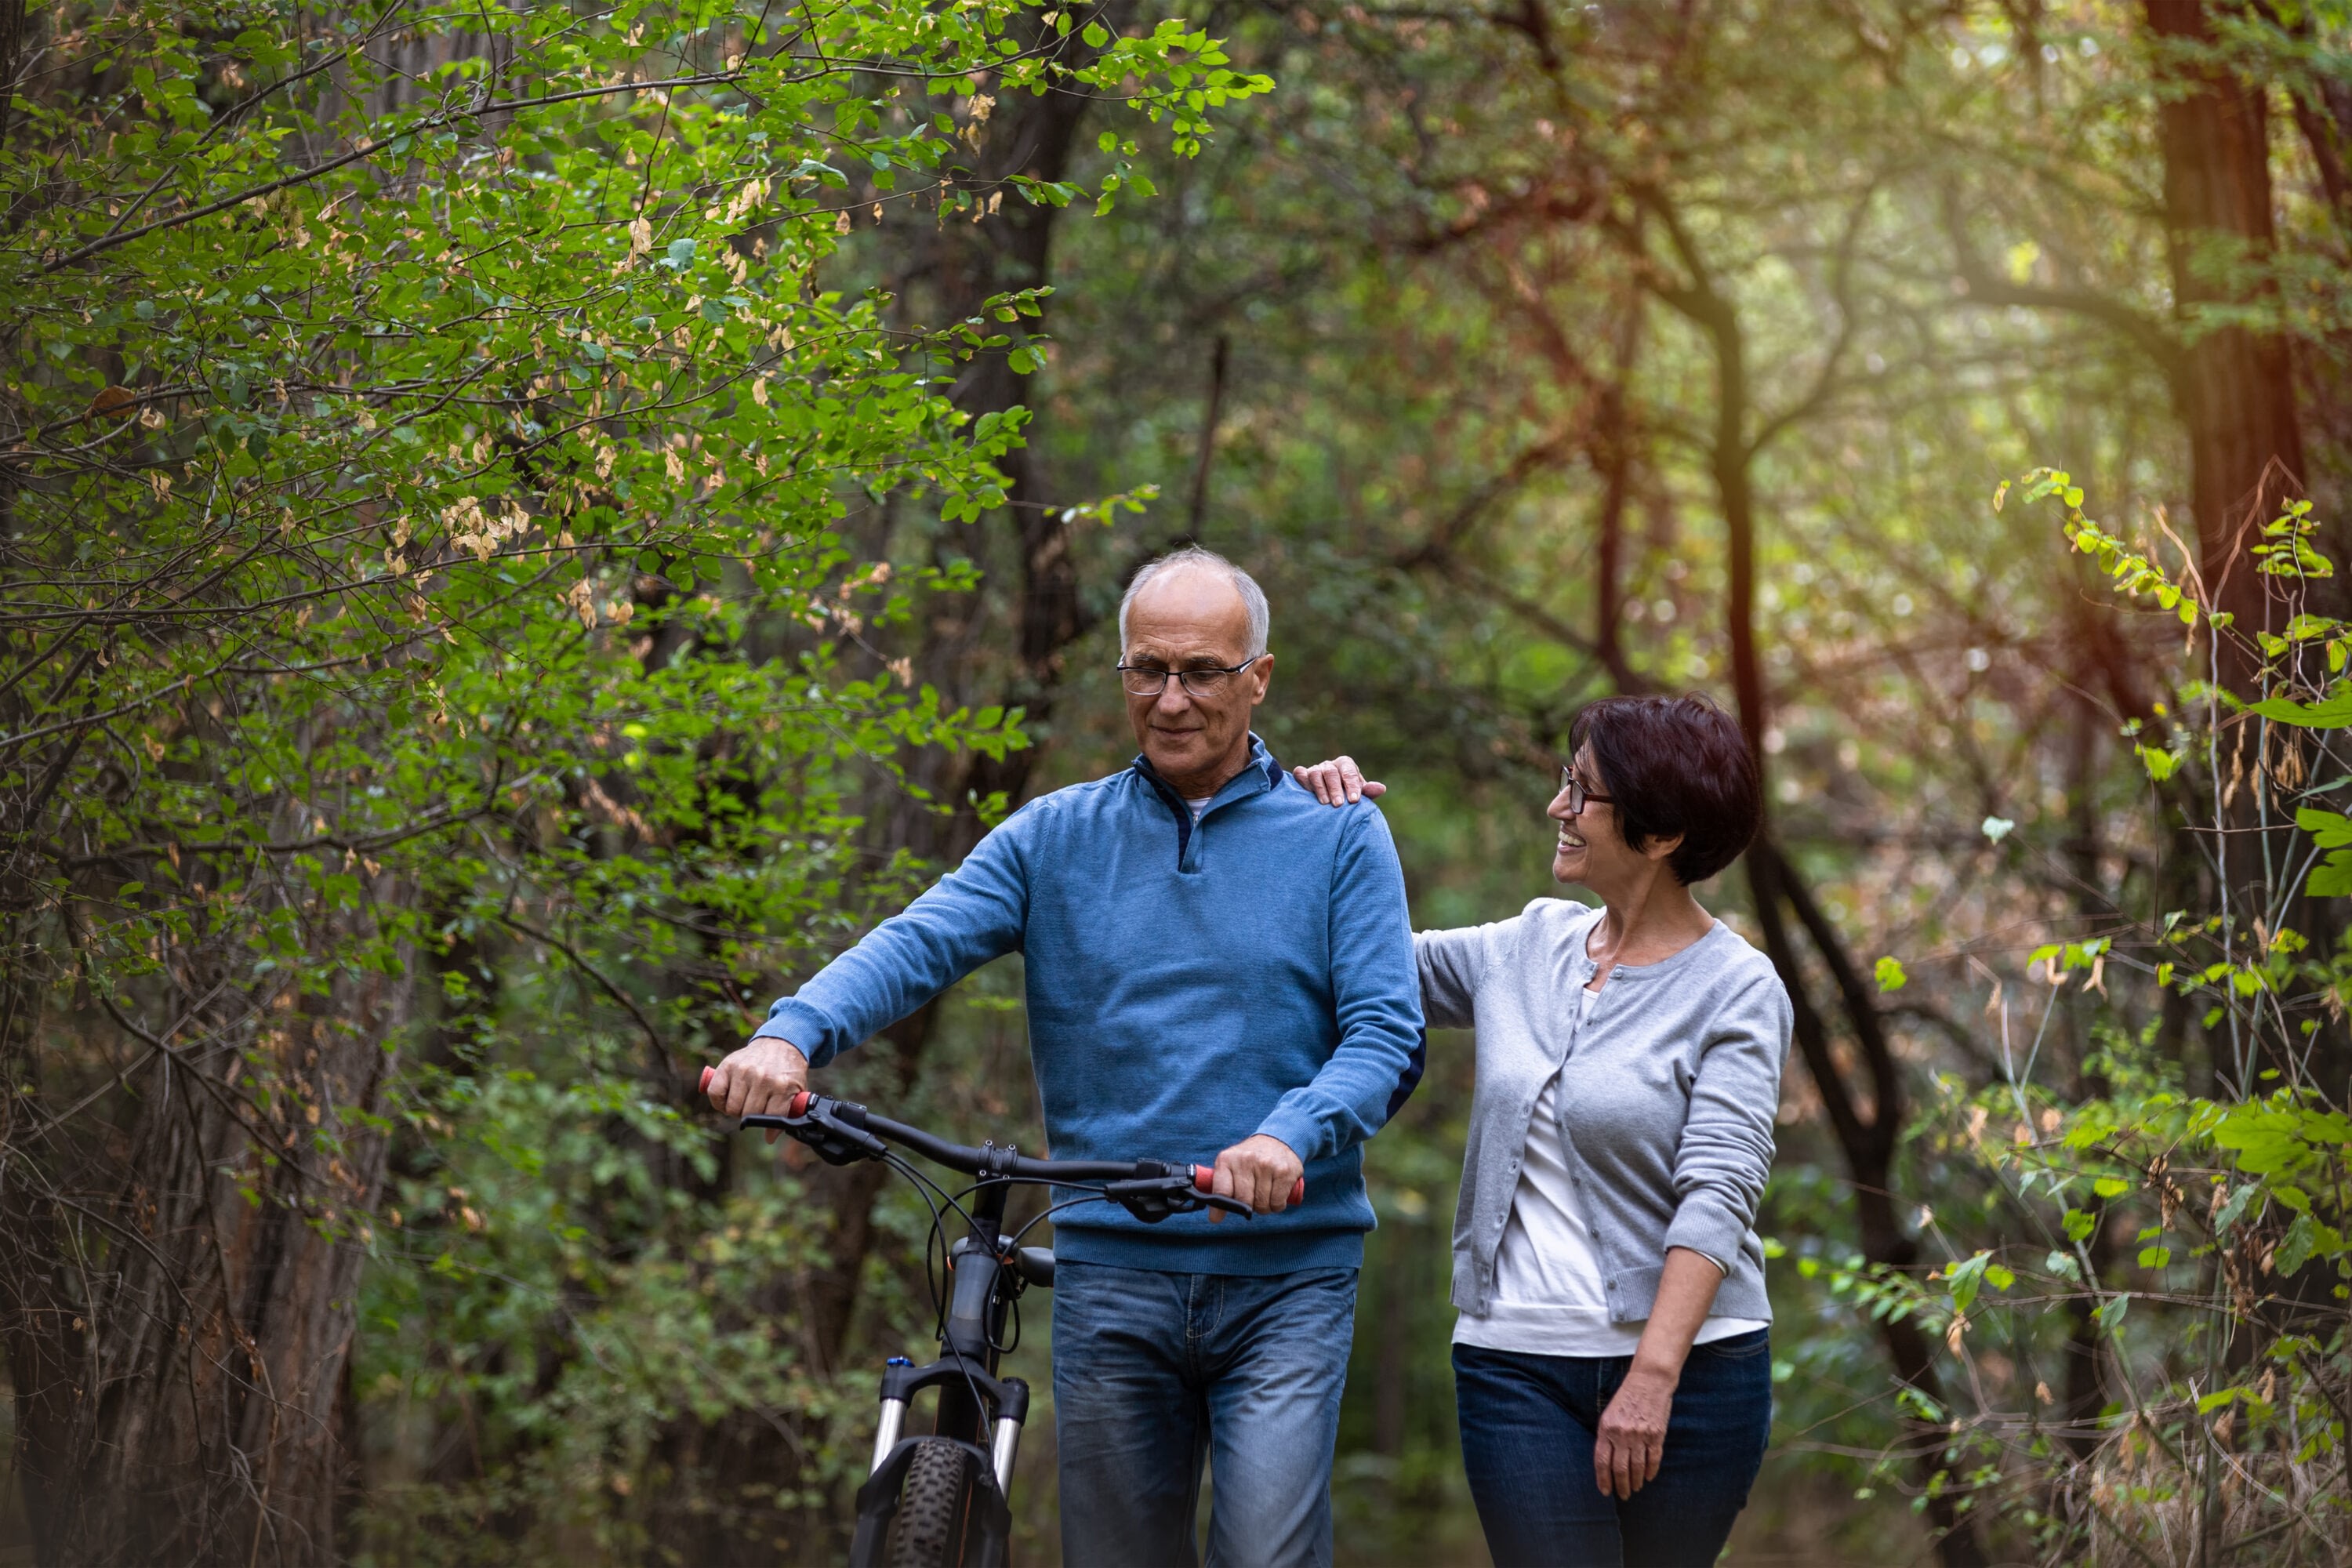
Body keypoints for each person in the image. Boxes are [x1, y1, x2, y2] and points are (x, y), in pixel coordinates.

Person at [706, 545, 1425, 1568]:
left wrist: (1287, 1135)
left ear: (1257, 678)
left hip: (1286, 1279)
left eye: (1202, 672)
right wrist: (789, 1035)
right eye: (1148, 669)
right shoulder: (1055, 836)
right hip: (1111, 1273)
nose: (1171, 700)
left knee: (1266, 1555)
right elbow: (918, 942)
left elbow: (1385, 1032)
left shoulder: (1341, 838)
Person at [1294, 694, 1788, 1568]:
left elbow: (1719, 1192)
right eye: (1568, 782)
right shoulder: (1526, 944)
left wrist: (1652, 1378)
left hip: (1697, 1376)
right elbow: (1363, 964)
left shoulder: (1737, 988)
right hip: (1513, 1363)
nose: (1558, 806)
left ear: (1663, 830)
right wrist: (1316, 826)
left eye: (1583, 790)